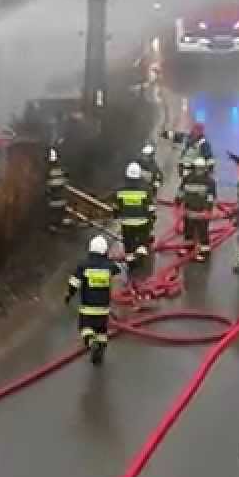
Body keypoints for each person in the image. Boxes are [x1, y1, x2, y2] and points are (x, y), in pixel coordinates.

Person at [65, 235, 122, 365]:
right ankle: (100, 350)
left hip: (87, 309)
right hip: (103, 309)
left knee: (85, 328)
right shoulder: (109, 266)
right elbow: (118, 273)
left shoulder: (83, 266)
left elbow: (74, 283)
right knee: (102, 331)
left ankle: (92, 343)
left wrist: (69, 295)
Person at [177, 156, 217, 262]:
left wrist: (207, 210)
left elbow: (210, 198)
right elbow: (181, 192)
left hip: (199, 212)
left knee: (200, 231)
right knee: (190, 231)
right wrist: (178, 201)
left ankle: (203, 249)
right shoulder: (208, 181)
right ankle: (191, 248)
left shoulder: (208, 181)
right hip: (192, 212)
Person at [115, 162, 156, 264]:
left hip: (126, 222)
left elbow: (116, 207)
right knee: (143, 234)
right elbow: (150, 207)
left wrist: (117, 215)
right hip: (142, 221)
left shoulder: (120, 189)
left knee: (128, 238)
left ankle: (129, 254)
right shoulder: (146, 188)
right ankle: (141, 247)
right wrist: (152, 218)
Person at [45, 148, 70, 232]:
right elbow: (65, 181)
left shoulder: (48, 171)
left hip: (53, 201)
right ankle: (57, 224)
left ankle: (53, 226)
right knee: (58, 214)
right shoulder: (61, 170)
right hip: (61, 200)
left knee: (53, 215)